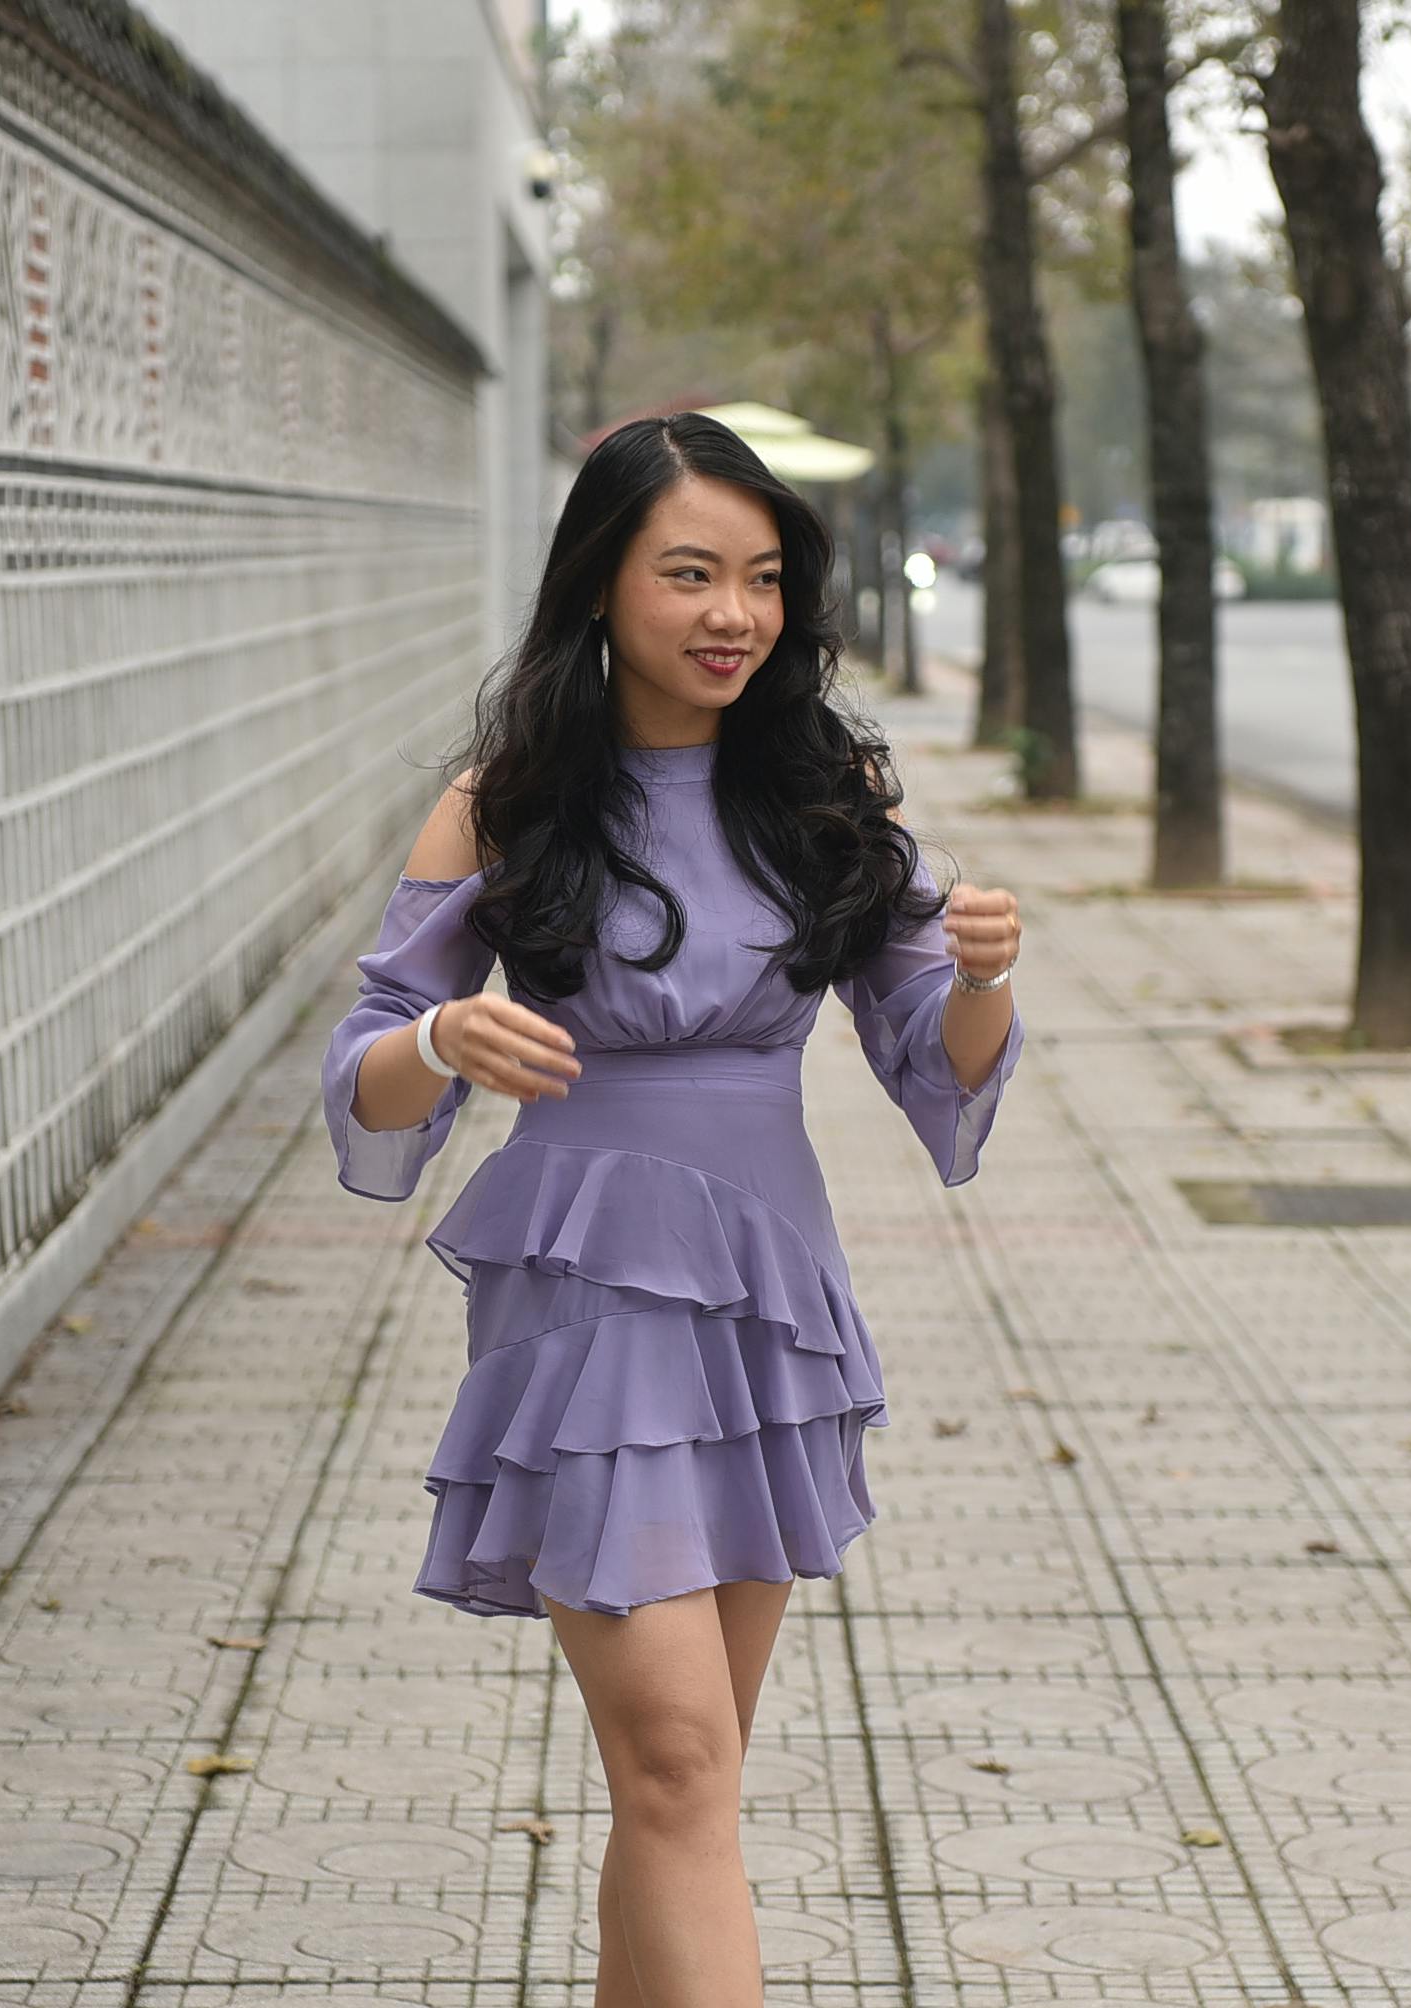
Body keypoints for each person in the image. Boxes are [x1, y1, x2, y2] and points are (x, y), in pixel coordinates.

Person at [319, 410, 1025, 2005]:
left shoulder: (824, 788)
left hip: (768, 1293)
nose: (735, 614)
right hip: (587, 1298)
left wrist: (985, 975)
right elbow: (365, 1078)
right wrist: (442, 1040)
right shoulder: (503, 802)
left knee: (679, 1783)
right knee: (683, 1763)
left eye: (762, 579)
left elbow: (936, 1058)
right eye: (690, 573)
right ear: (600, 582)